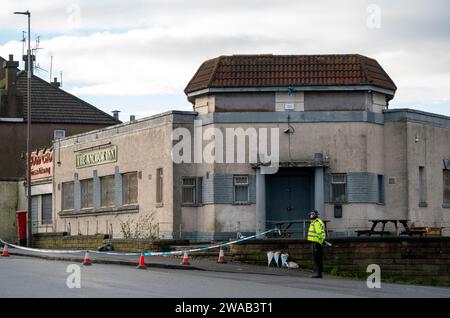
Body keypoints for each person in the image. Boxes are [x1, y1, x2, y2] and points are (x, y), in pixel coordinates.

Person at [307, 210, 326, 278]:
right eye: (311, 214)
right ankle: (318, 273)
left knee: (317, 258)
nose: (311, 215)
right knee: (317, 258)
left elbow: (319, 233)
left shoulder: (316, 222)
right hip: (316, 242)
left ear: (316, 215)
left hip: (317, 242)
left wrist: (320, 241)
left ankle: (319, 273)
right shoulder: (315, 222)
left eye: (313, 214)